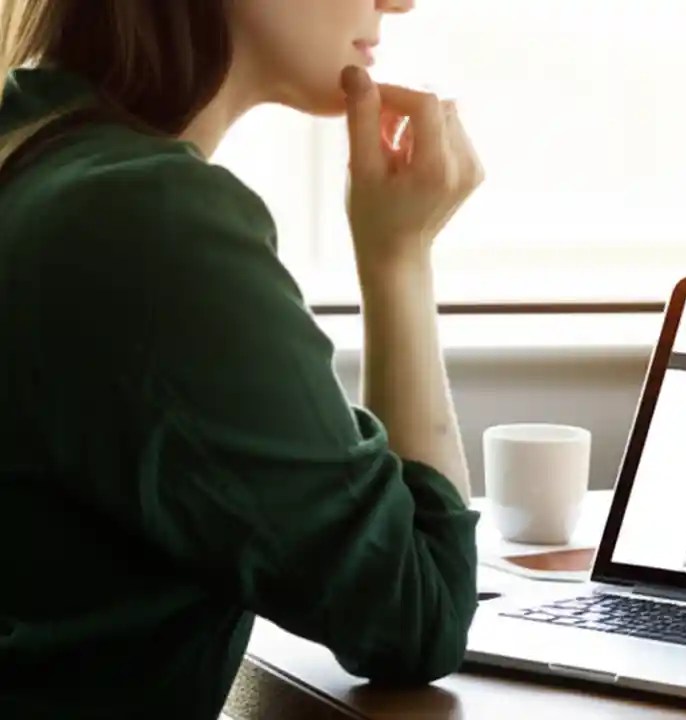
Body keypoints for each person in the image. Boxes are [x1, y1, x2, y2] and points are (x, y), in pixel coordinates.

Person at [0, 1, 483, 717]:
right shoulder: (150, 226)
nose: (399, 1)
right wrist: (399, 259)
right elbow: (419, 616)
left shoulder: (30, 149)